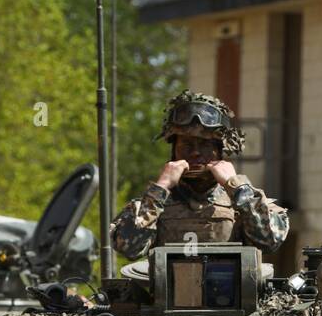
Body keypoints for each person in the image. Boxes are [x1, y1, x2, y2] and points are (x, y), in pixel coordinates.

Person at [111, 90, 288, 258]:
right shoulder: (153, 204)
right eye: (187, 144)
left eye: (205, 144)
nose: (195, 152)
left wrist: (237, 187)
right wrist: (161, 187)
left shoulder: (246, 201)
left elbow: (269, 242)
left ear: (220, 151)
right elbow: (129, 249)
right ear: (174, 151)